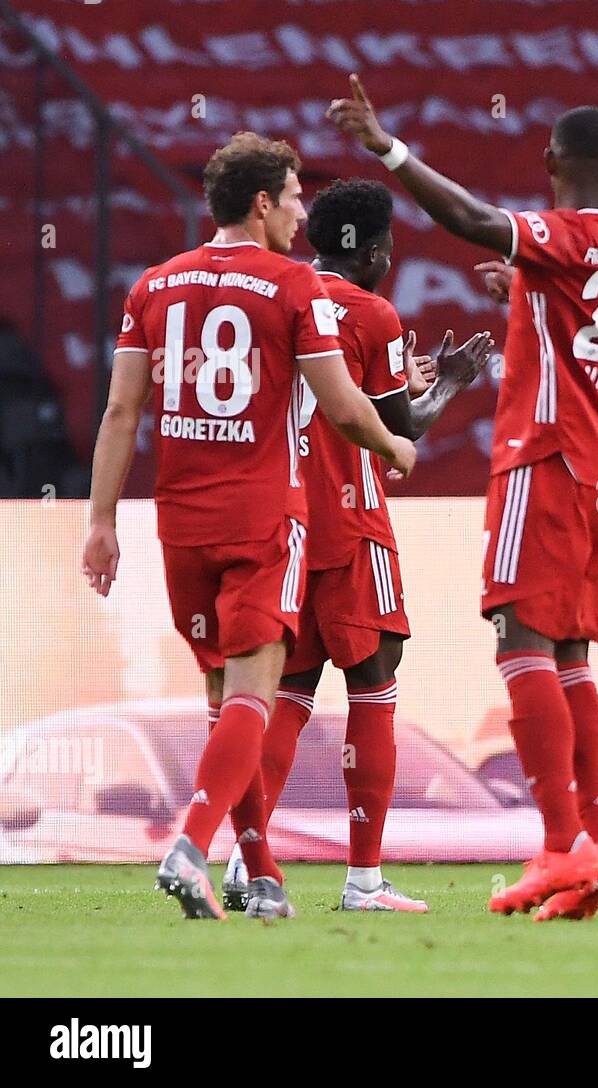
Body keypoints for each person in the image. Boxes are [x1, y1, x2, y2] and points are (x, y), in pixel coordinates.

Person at [328, 77, 598, 918]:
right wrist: (531, 295)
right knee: (574, 660)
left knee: (522, 645)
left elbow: (474, 220)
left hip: (543, 460)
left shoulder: (557, 233)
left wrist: (388, 147)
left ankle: (558, 844)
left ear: (551, 161)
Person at [81, 133, 416, 920]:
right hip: (264, 516)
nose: (303, 212)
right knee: (254, 697)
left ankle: (260, 875)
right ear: (262, 202)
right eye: (296, 197)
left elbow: (122, 410)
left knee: (222, 695)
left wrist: (100, 522)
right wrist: (396, 442)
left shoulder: (154, 285)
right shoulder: (294, 285)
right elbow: (341, 406)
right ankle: (192, 846)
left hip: (179, 520)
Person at [220, 178, 492, 913]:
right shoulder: (371, 312)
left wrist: (403, 382)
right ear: (373, 250)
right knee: (374, 687)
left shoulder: (275, 298)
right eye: (389, 248)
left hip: (283, 523)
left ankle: (249, 864)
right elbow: (399, 429)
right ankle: (364, 879)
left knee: (288, 695)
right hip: (352, 524)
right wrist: (454, 384)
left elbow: (336, 400)